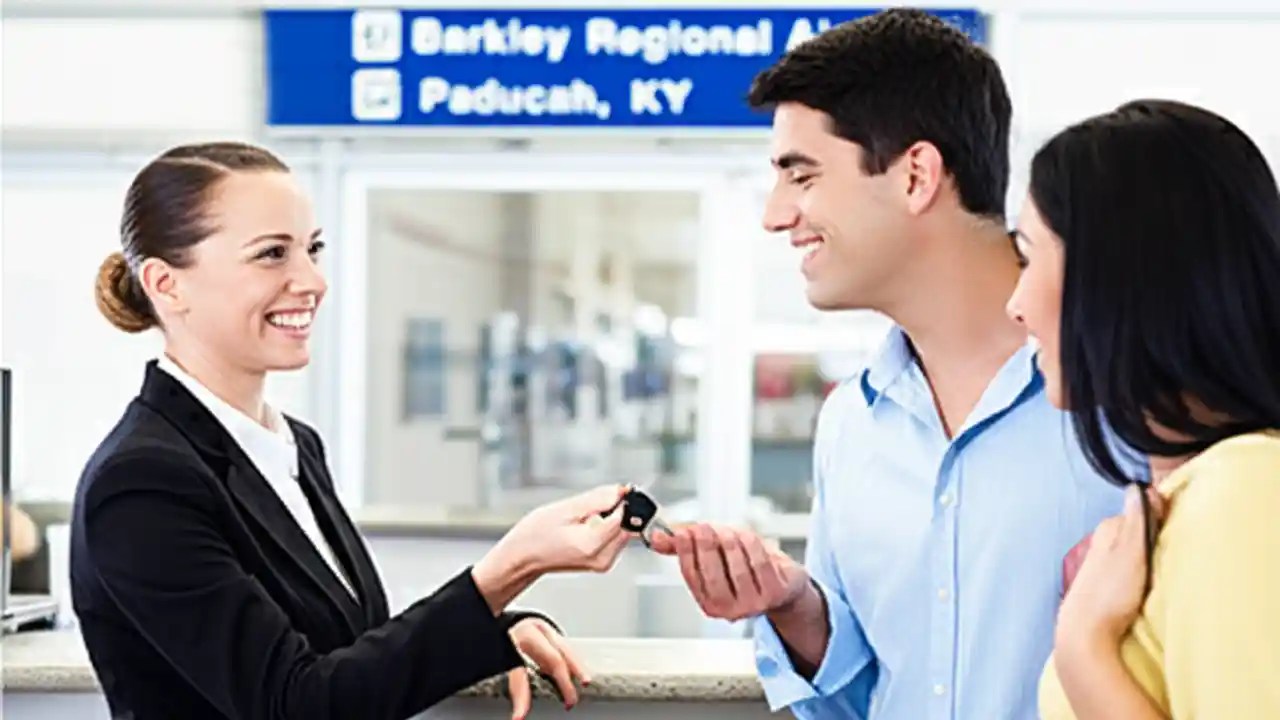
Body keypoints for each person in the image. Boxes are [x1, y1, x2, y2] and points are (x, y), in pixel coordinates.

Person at [650, 10, 1125, 719]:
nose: (776, 215)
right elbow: (859, 705)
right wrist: (797, 609)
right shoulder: (850, 424)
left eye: (801, 176)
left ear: (915, 176)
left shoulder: (1129, 396)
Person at [71, 141, 634, 720]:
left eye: (312, 249)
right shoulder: (141, 482)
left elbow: (343, 650)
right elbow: (298, 704)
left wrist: (493, 631)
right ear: (167, 285)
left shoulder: (293, 446)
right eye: (271, 254)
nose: (311, 280)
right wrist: (509, 570)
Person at [1006, 99, 1280, 719]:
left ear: (1118, 276)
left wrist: (1084, 650)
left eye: (1028, 256)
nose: (1016, 304)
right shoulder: (1200, 495)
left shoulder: (1246, 488)